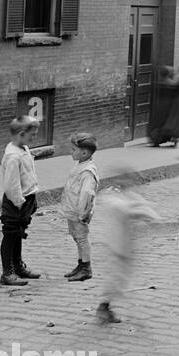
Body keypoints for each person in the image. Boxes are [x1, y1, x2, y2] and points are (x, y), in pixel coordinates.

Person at [96, 175, 164, 325]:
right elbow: (130, 211)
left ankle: (106, 305)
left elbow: (137, 203)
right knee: (117, 277)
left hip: (121, 243)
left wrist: (149, 208)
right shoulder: (114, 201)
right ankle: (104, 307)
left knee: (120, 277)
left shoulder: (121, 196)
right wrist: (151, 215)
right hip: (117, 245)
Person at [0, 116, 41, 285]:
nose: (35, 137)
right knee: (10, 235)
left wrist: (33, 197)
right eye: (33, 134)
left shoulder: (23, 148)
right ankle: (7, 273)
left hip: (26, 199)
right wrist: (19, 203)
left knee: (18, 234)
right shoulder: (12, 156)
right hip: (16, 202)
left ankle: (18, 266)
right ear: (22, 134)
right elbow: (11, 185)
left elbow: (29, 175)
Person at [61, 132, 100, 281]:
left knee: (82, 238)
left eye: (73, 149)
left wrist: (83, 213)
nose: (71, 152)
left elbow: (87, 194)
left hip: (79, 211)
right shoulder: (81, 166)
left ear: (84, 153)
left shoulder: (88, 172)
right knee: (77, 237)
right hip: (73, 209)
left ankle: (86, 268)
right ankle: (80, 264)